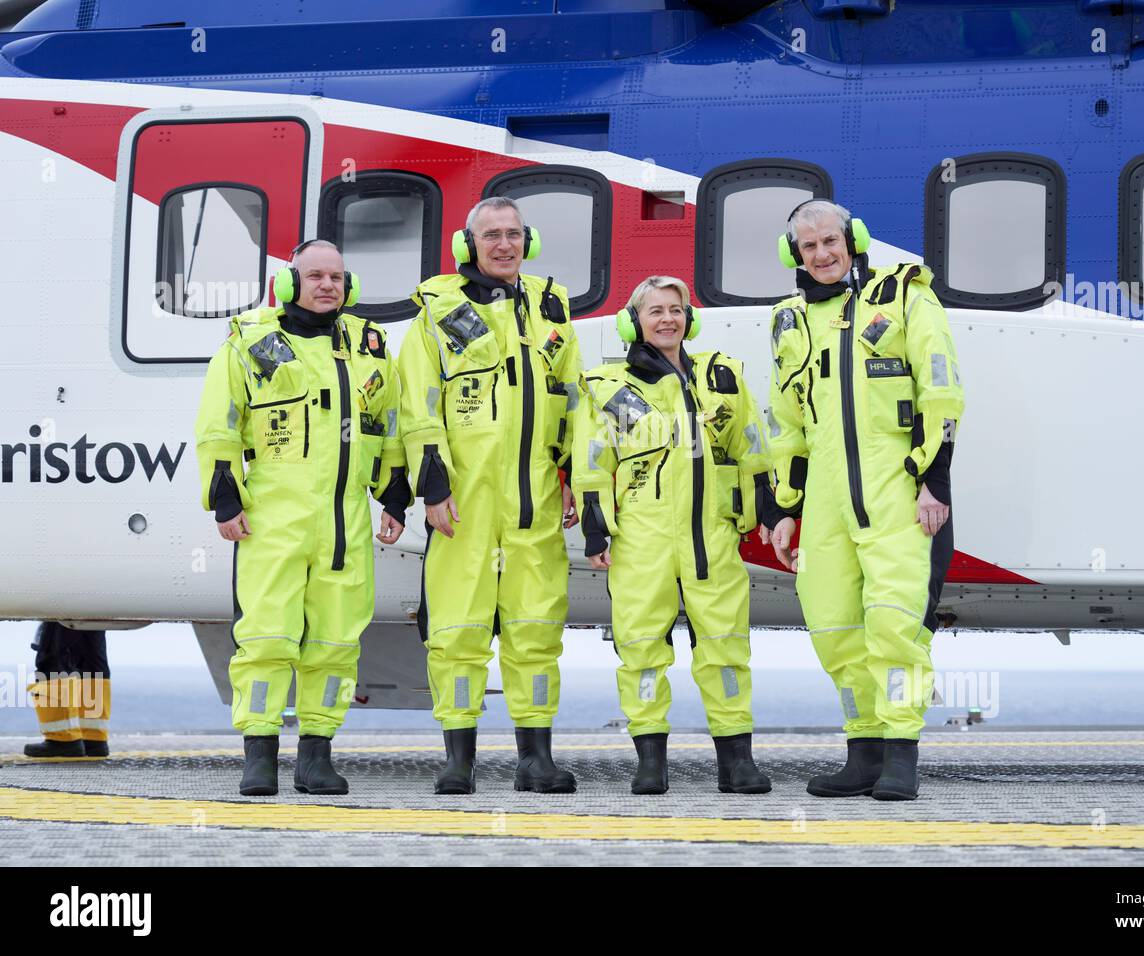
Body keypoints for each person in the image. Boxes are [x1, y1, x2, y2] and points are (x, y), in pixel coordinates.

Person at [762, 200, 964, 801]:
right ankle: (863, 750)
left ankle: (902, 753)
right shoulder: (788, 320)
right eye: (809, 247)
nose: (823, 254)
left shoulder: (904, 295)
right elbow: (785, 421)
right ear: (794, 255)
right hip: (823, 494)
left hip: (895, 483)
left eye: (831, 240)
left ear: (853, 238)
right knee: (832, 624)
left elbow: (942, 386)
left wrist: (936, 478)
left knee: (893, 622)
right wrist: (783, 506)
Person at [195, 239, 410, 797]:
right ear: (290, 283)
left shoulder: (369, 346)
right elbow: (220, 424)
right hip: (273, 516)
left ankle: (316, 757)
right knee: (267, 635)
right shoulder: (251, 341)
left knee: (337, 641)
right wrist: (225, 497)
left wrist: (394, 498)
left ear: (349, 285)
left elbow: (387, 427)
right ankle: (259, 754)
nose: (326, 286)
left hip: (346, 520)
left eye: (336, 277)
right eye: (314, 275)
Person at [398, 197, 583, 795]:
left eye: (513, 235)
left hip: (534, 497)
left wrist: (577, 476)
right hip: (464, 499)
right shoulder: (437, 311)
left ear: (526, 243)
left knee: (536, 627)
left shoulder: (550, 309)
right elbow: (419, 405)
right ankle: (459, 759)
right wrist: (431, 483)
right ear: (466, 245)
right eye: (491, 235)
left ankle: (536, 759)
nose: (503, 245)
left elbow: (573, 401)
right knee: (458, 628)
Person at [573, 276, 773, 795]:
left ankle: (737, 763)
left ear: (690, 318)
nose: (667, 319)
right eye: (655, 310)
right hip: (643, 538)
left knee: (726, 646)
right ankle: (650, 762)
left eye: (676, 310)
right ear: (633, 321)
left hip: (711, 536)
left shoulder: (721, 376)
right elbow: (592, 464)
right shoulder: (609, 386)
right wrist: (598, 533)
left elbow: (752, 448)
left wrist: (767, 513)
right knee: (640, 646)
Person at [24, 621, 110, 758]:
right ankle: (92, 738)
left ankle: (62, 739)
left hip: (67, 602)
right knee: (89, 655)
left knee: (53, 654)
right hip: (97, 602)